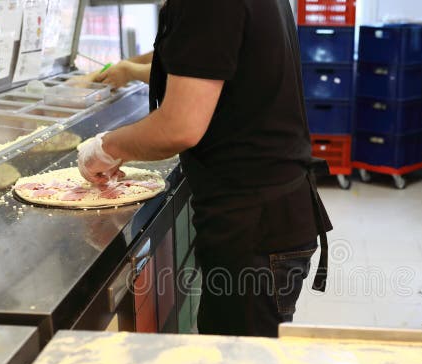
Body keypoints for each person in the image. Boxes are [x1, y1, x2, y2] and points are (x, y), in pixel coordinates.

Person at [77, 0, 332, 338]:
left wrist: (105, 148)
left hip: (256, 229)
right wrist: (129, 68)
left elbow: (179, 127)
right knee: (238, 359)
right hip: (262, 216)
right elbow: (198, 53)